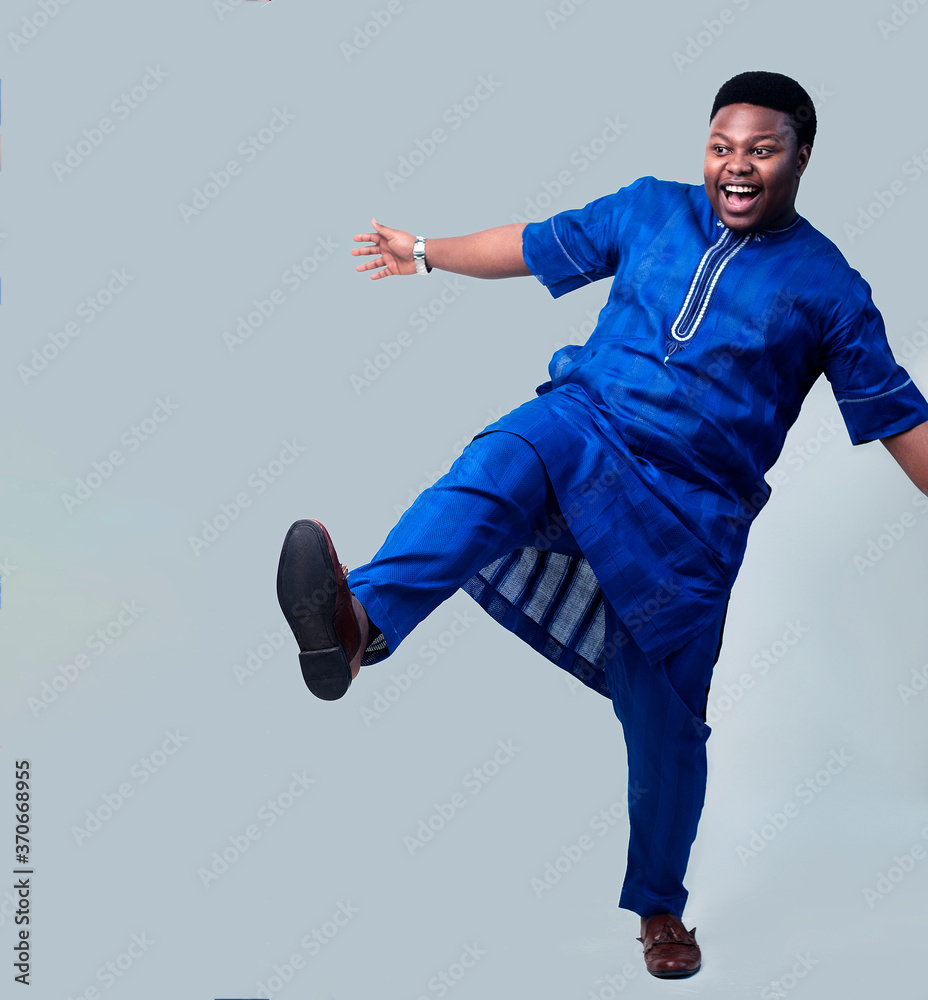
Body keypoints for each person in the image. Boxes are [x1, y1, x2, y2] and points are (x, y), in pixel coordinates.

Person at [276, 71, 928, 978]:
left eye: (762, 150)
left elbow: (899, 419)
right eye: (721, 147)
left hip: (692, 518)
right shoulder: (649, 209)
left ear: (802, 158)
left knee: (667, 729)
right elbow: (531, 244)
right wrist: (423, 251)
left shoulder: (830, 288)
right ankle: (359, 622)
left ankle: (659, 905)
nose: (737, 166)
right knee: (503, 457)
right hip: (586, 429)